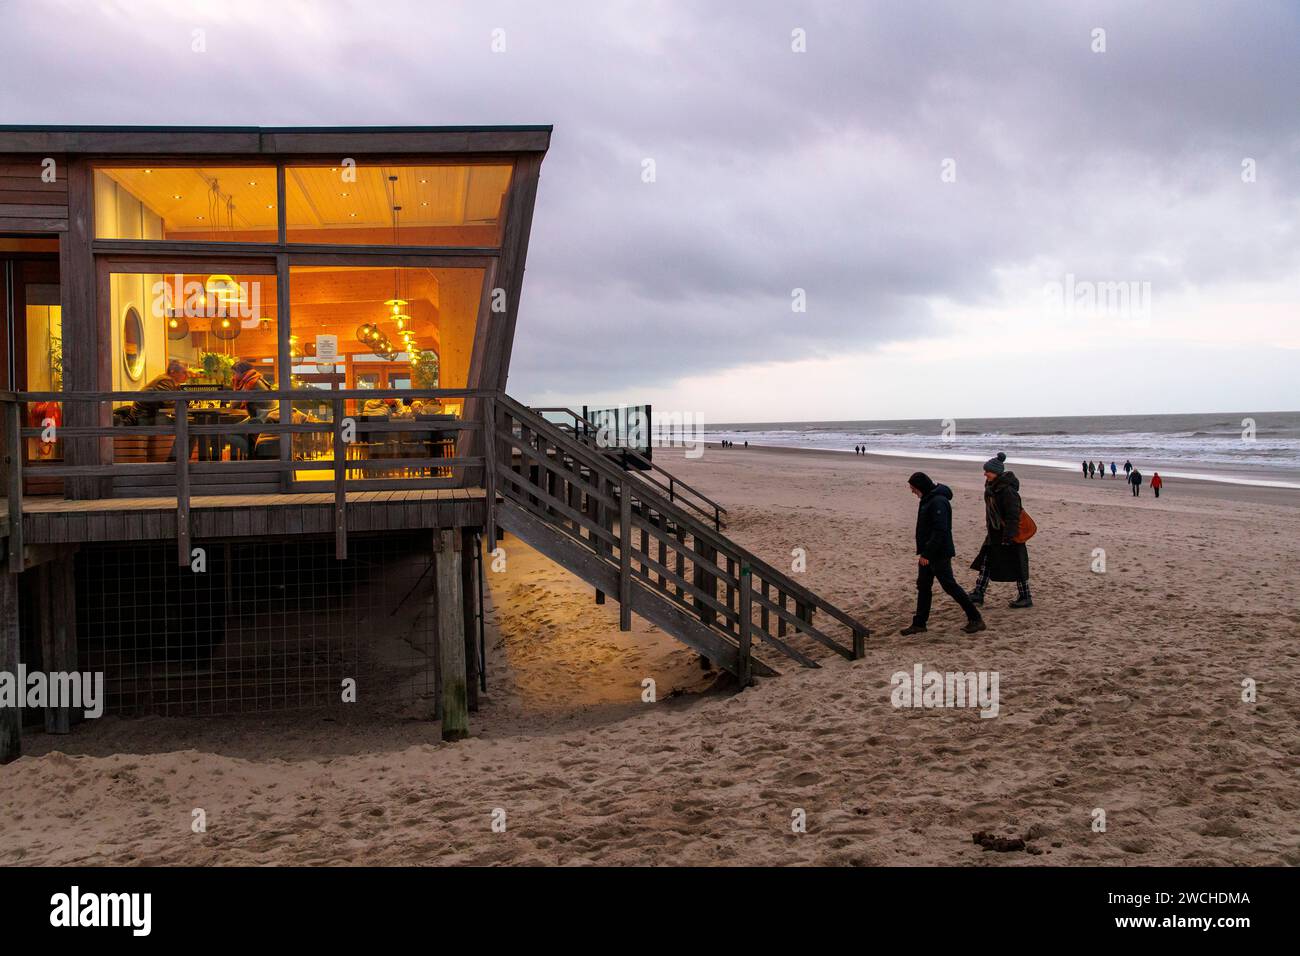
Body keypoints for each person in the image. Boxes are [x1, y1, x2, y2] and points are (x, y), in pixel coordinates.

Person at [899, 472, 985, 636]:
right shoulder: (927, 499)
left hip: (939, 553)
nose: (912, 491)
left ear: (921, 487)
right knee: (923, 586)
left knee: (950, 586)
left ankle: (976, 618)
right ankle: (919, 623)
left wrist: (927, 554)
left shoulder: (938, 501)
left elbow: (940, 531)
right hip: (928, 552)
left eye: (913, 488)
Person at [970, 452, 1033, 609]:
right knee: (987, 561)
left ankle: (1025, 596)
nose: (985, 474)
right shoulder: (992, 487)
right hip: (995, 532)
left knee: (1018, 565)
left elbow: (1013, 515)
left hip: (1010, 534)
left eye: (987, 471)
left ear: (996, 473)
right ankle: (978, 593)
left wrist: (1009, 536)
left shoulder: (1007, 491)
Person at [116, 359, 189, 425]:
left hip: (149, 417)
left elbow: (178, 402)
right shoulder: (165, 381)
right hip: (142, 419)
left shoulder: (174, 383)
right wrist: (185, 400)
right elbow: (170, 404)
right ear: (173, 372)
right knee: (185, 424)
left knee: (184, 423)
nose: (187, 376)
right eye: (184, 373)